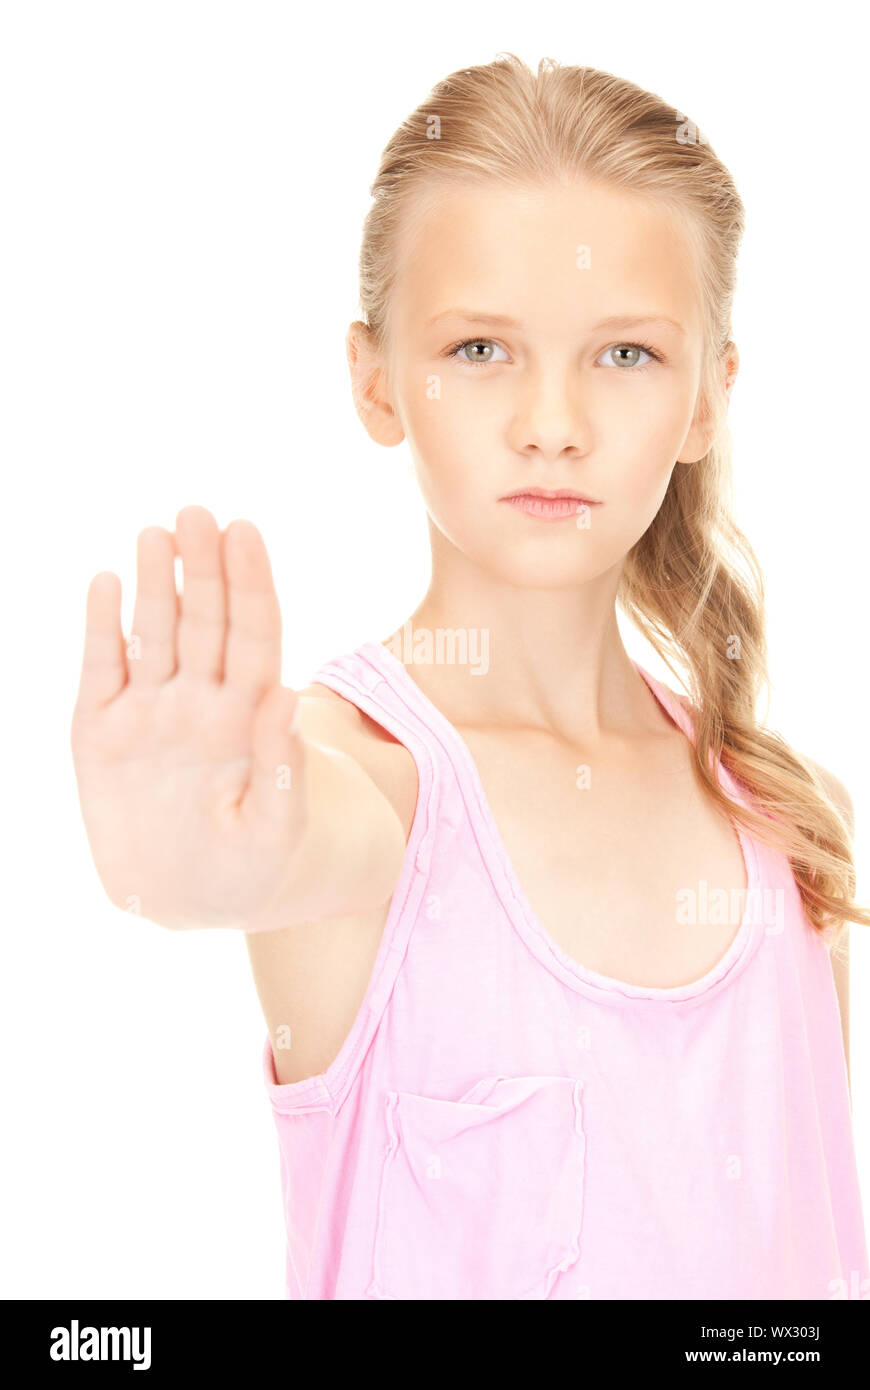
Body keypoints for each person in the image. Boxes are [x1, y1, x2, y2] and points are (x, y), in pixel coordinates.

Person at [71, 53, 869, 1300]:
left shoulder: (791, 820)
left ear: (711, 397)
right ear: (376, 378)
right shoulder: (367, 783)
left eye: (625, 356)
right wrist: (178, 855)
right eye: (482, 346)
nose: (551, 420)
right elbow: (248, 856)